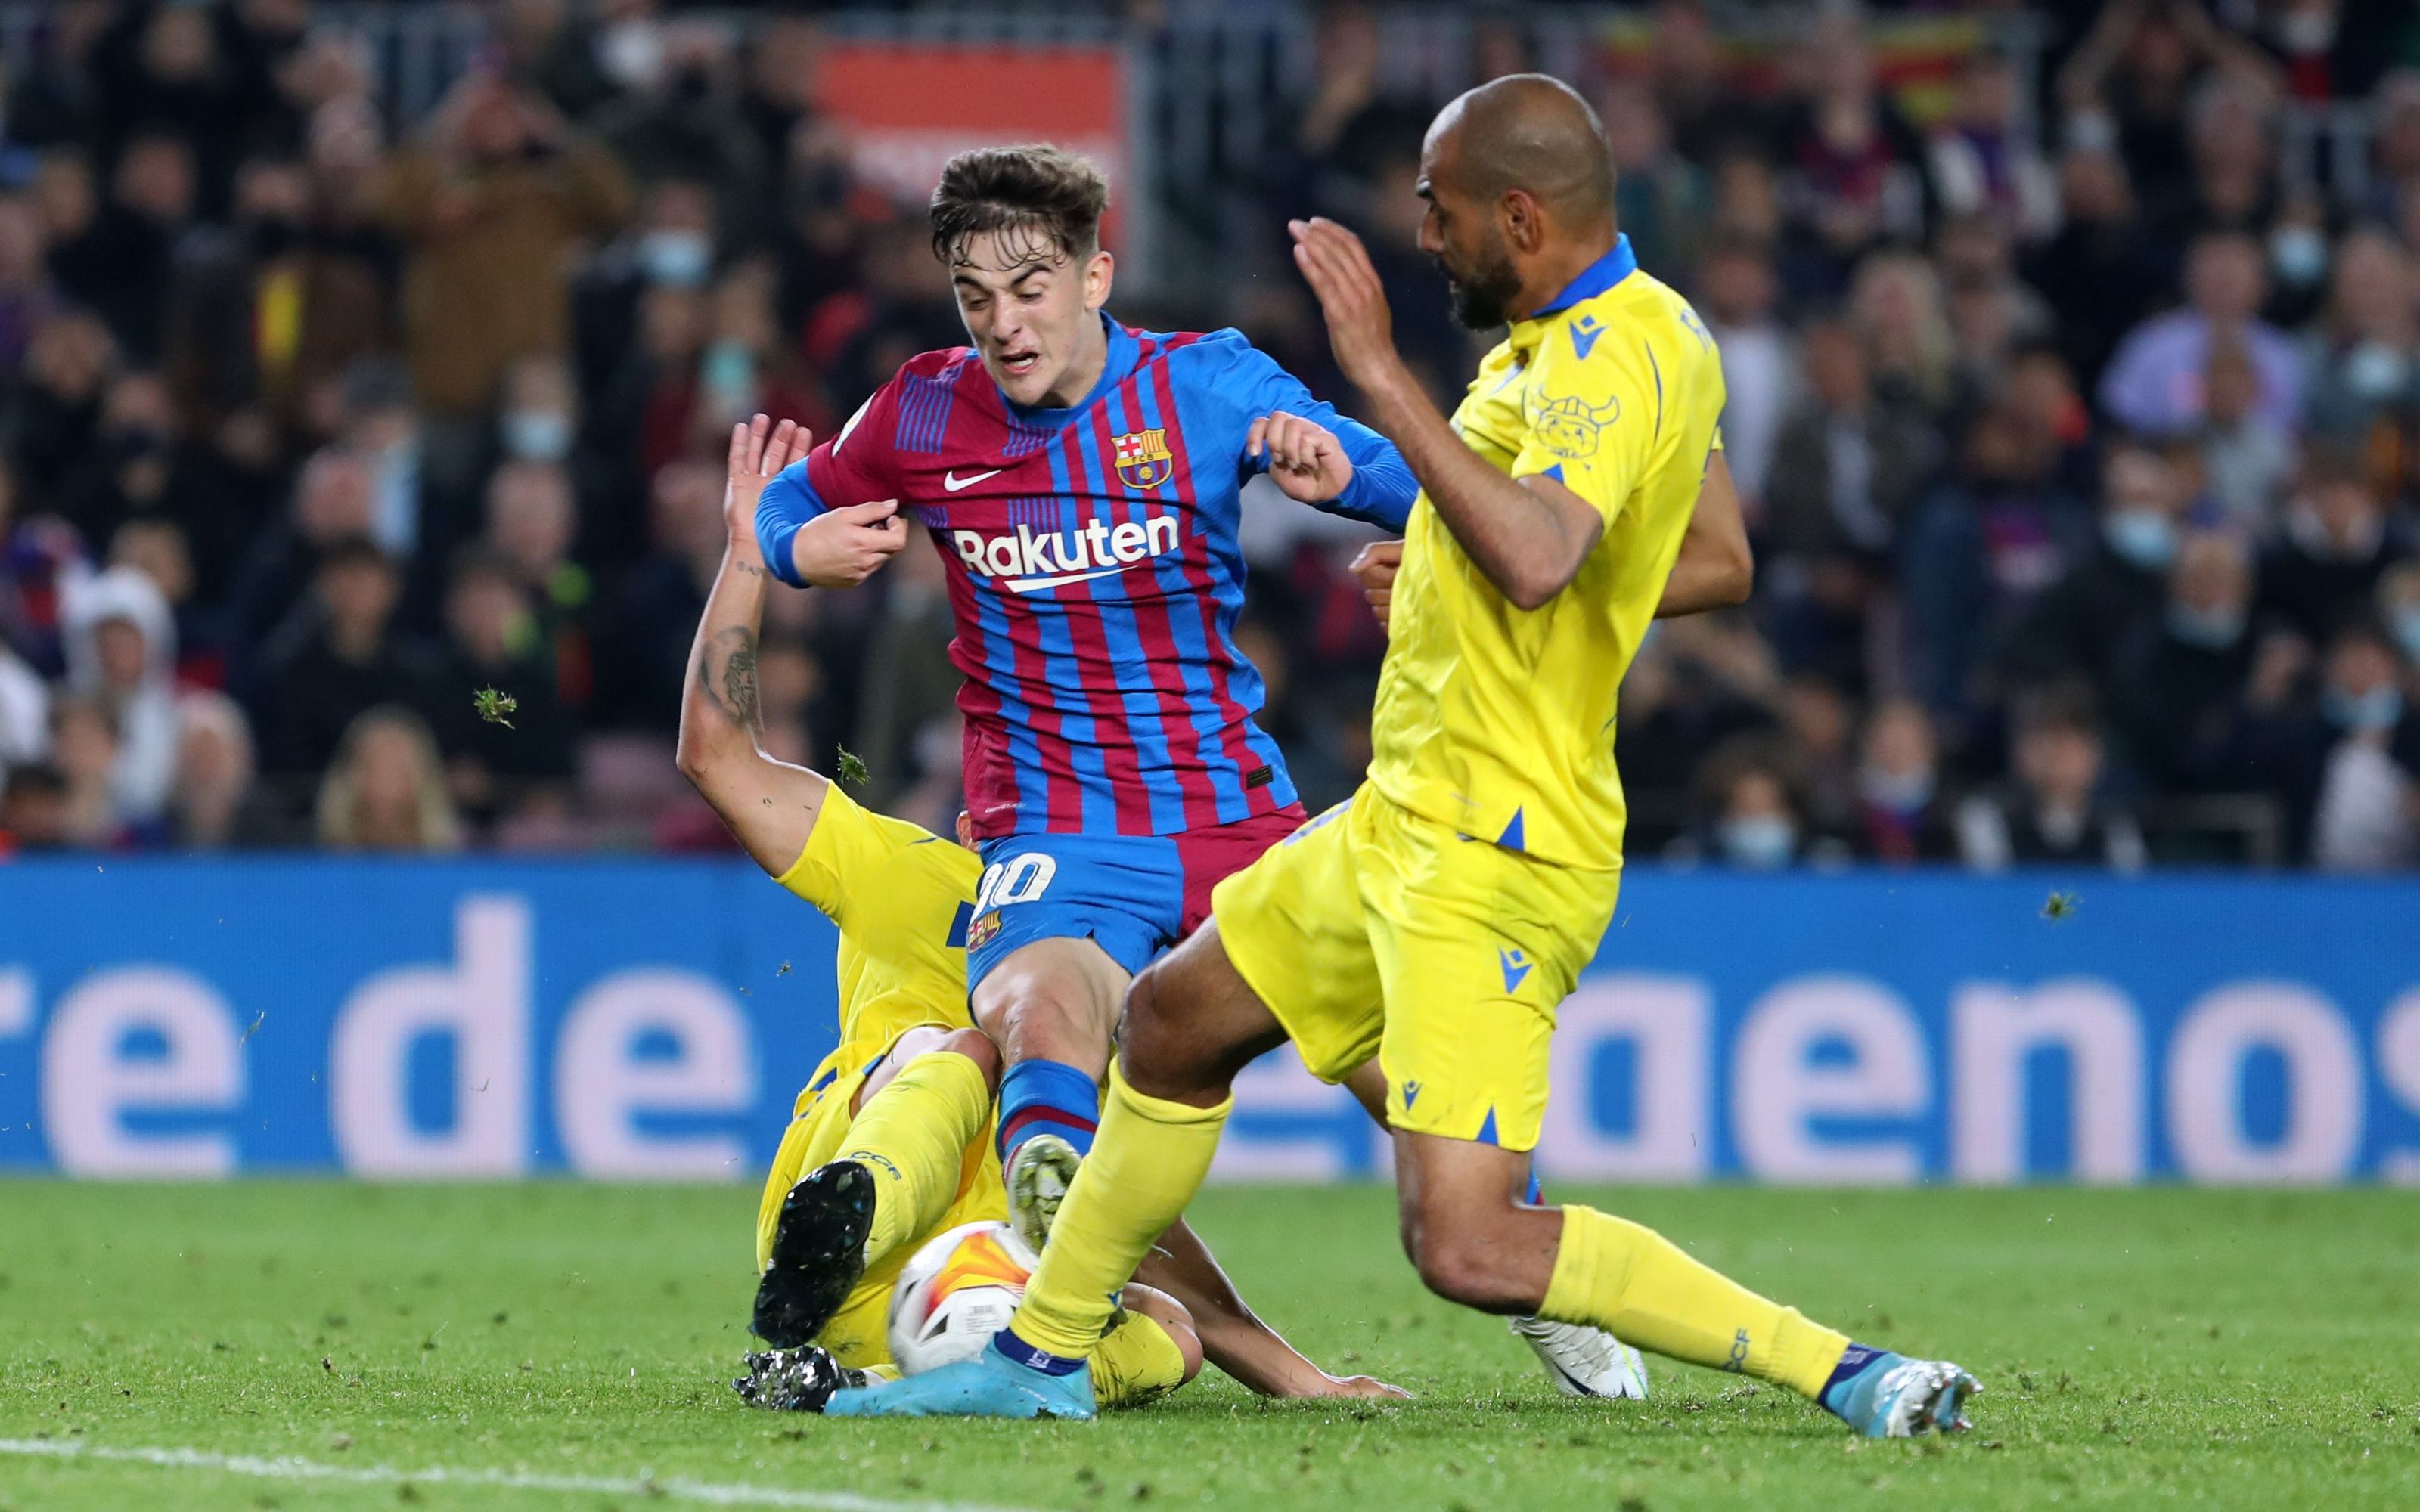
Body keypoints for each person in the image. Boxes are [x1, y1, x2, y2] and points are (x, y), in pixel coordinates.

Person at [824, 74, 1978, 1436]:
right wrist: (1440, 560)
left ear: (1521, 216)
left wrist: (1375, 374)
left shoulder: (1619, 355)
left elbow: (1546, 559)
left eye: (1438, 210)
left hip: (1495, 847)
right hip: (1397, 819)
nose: (1421, 235)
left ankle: (1849, 1371)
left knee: (1470, 1250)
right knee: (1175, 1027)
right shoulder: (1566, 345)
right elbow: (1711, 560)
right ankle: (1041, 1359)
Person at [751, 144, 1420, 1263]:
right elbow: (789, 496)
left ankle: (1528, 1264)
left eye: (1030, 289)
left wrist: (1340, 468)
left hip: (1232, 814)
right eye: (976, 299)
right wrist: (795, 546)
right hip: (1055, 831)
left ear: (1095, 278)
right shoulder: (922, 409)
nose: (1003, 324)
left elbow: (1409, 478)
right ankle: (1052, 1223)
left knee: (1397, 1063)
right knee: (1033, 1010)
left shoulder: (1204, 383)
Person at [684, 415, 1400, 1411]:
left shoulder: (1130, 947)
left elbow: (1138, 1217)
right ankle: (844, 1221)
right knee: (973, 1050)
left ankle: (864, 1384)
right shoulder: (904, 871)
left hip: (988, 1282)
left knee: (1172, 1339)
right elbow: (717, 759)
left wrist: (1301, 1383)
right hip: (856, 1216)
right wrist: (747, 556)